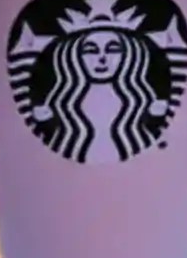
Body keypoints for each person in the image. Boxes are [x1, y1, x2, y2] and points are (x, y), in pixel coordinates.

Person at [28, 27, 170, 164]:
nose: (102, 59)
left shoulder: (145, 104)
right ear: (75, 57)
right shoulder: (57, 107)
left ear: (128, 55)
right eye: (91, 51)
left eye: (112, 50)